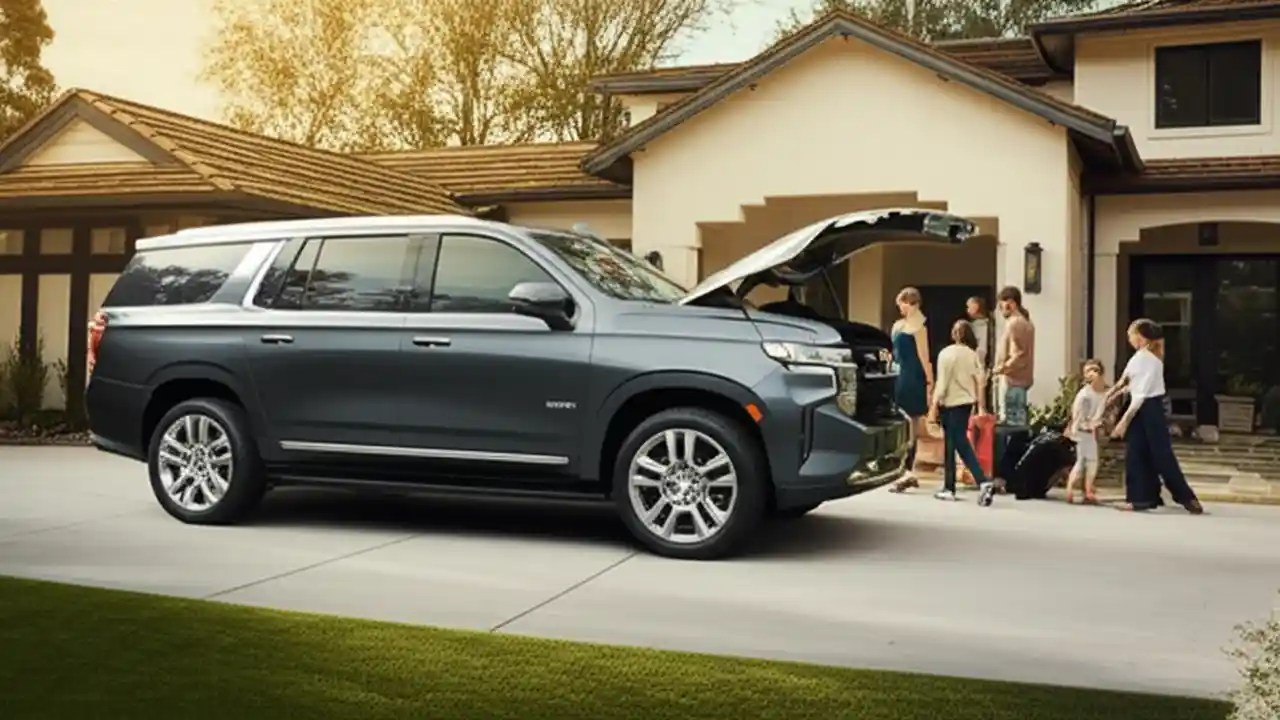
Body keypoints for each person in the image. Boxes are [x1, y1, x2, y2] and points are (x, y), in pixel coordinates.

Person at [1105, 319, 1204, 514]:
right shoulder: (1141, 357)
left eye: (1131, 334)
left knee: (1160, 454)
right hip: (1143, 407)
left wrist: (1124, 421)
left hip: (1148, 408)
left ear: (1140, 336)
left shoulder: (1147, 359)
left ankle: (1185, 496)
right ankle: (1142, 498)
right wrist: (1110, 396)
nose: (1129, 338)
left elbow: (1141, 393)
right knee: (1138, 453)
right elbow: (1126, 382)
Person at [931, 319, 996, 506]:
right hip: (966, 402)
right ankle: (952, 485)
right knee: (956, 441)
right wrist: (981, 405)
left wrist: (933, 406)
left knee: (954, 443)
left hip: (949, 402)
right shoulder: (972, 355)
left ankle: (978, 481)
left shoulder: (946, 354)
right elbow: (980, 381)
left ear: (953, 334)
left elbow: (942, 383)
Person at [888, 287, 933, 494]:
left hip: (904, 374)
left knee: (909, 421)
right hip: (910, 375)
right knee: (911, 423)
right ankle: (907, 469)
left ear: (911, 303)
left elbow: (923, 356)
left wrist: (930, 381)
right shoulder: (913, 327)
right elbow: (924, 358)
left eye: (903, 304)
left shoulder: (907, 327)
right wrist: (930, 381)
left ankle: (906, 470)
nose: (901, 308)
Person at [1065, 359, 1108, 505]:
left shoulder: (1100, 392)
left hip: (1089, 431)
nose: (1092, 374)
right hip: (1084, 431)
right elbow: (1078, 415)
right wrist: (1085, 425)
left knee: (1086, 461)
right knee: (1086, 461)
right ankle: (1080, 490)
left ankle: (1082, 489)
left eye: (1095, 370)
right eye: (1089, 371)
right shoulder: (1085, 395)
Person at [993, 286, 1035, 426]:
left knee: (1013, 427)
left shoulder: (1015, 323)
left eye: (1002, 305)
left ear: (1011, 303)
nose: (1001, 309)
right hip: (1017, 380)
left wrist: (1002, 368)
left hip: (1014, 380)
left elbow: (1019, 354)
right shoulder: (1024, 322)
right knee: (1015, 424)